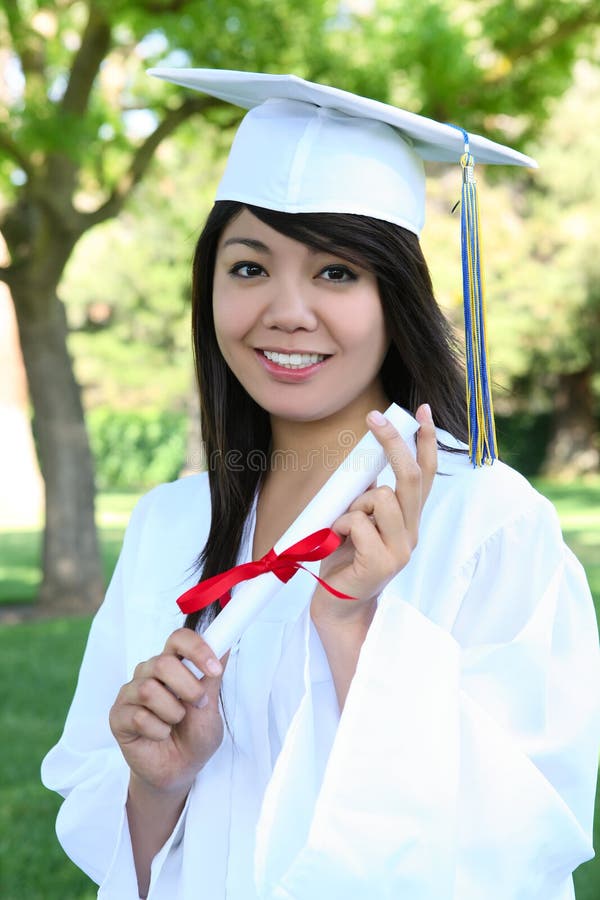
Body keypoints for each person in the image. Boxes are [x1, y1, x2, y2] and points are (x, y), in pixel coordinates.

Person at [42, 70, 600, 900]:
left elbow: (518, 836)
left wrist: (353, 628)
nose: (286, 310)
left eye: (337, 272)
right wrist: (157, 784)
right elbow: (122, 847)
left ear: (395, 296)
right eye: (248, 267)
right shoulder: (169, 524)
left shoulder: (489, 521)